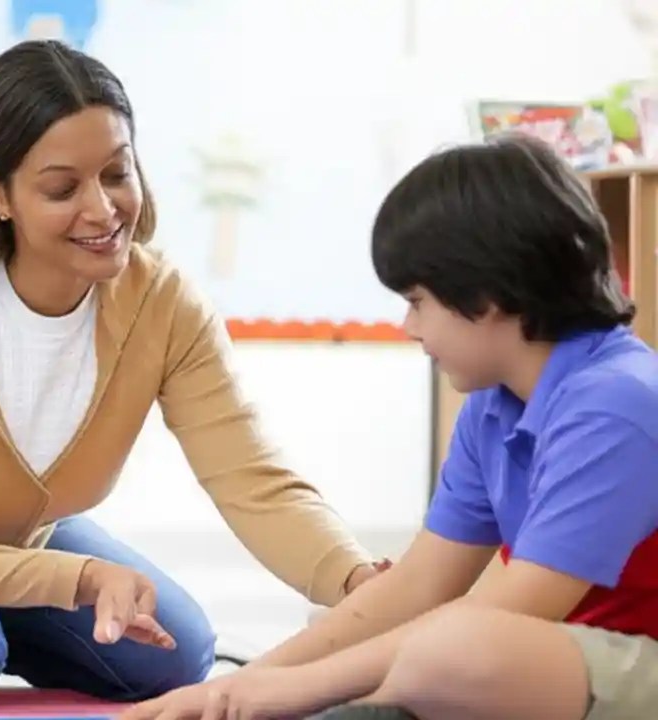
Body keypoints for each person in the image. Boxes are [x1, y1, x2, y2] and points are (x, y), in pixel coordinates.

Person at [0, 39, 382, 712]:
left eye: (118, 173)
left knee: (175, 656)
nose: (104, 210)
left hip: (5, 537)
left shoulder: (164, 304)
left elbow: (253, 480)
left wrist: (355, 581)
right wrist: (77, 580)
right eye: (63, 188)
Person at [120, 133, 658, 720]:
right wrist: (233, 689)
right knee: (354, 631)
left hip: (633, 659)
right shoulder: (496, 401)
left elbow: (506, 615)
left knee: (445, 654)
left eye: (418, 300)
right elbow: (417, 588)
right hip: (575, 659)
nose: (408, 325)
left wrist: (284, 693)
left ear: (489, 295)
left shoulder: (616, 404)